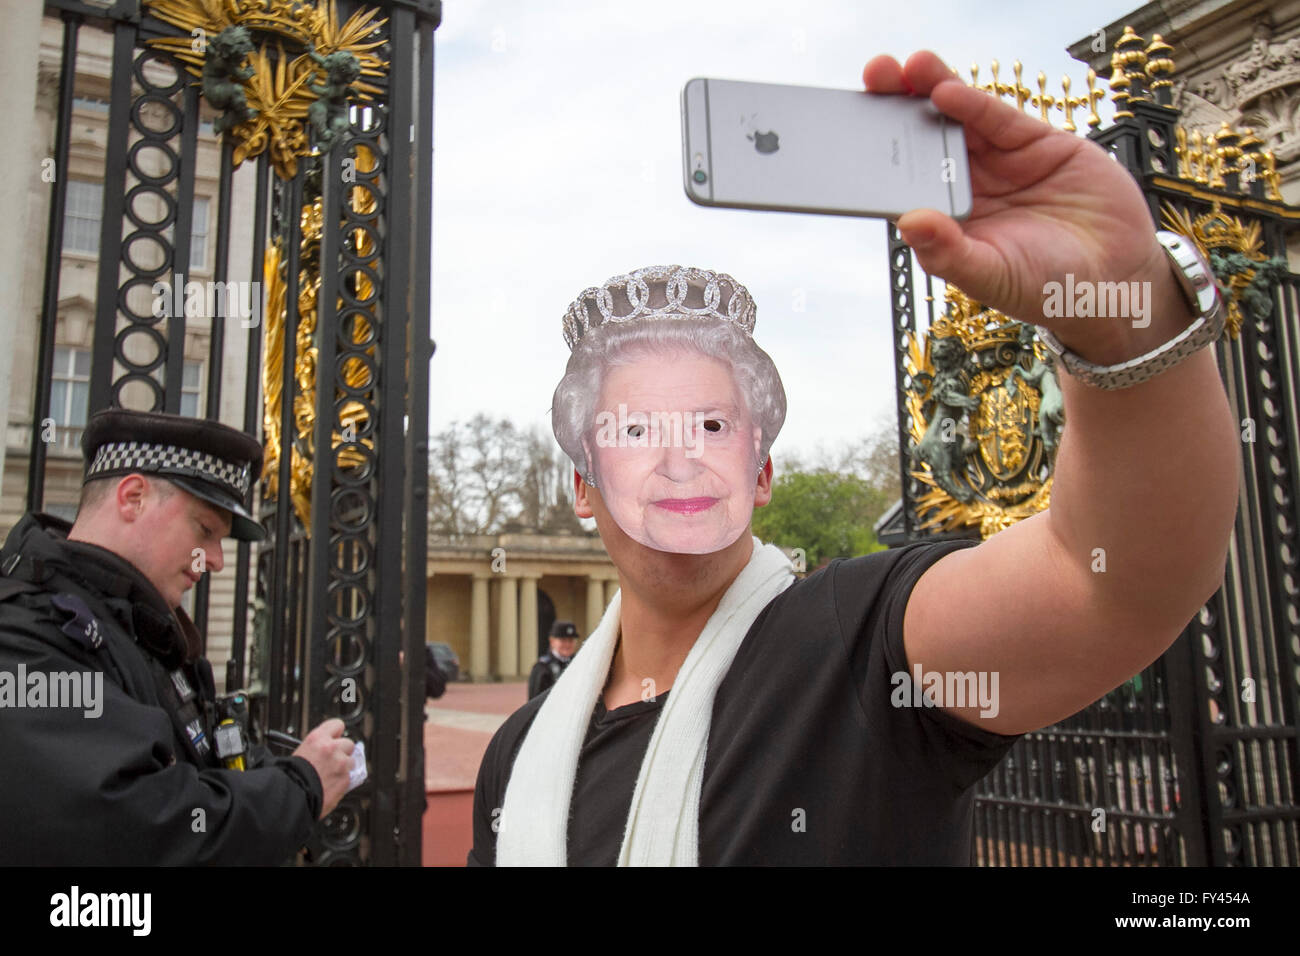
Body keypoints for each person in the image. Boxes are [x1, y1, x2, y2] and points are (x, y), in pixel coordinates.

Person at [468, 50, 1239, 866]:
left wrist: (1123, 308)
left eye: (714, 428)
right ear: (584, 490)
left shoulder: (862, 643)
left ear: (759, 475)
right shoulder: (519, 756)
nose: (681, 460)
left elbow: (1109, 584)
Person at [0, 408, 356, 865]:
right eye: (205, 531)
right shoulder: (23, 632)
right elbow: (139, 823)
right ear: (132, 498)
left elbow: (207, 764)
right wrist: (300, 788)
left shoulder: (143, 631)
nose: (215, 560)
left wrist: (284, 770)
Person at [527, 621, 579, 700]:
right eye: (563, 640)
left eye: (571, 640)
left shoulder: (579, 664)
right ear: (552, 641)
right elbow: (534, 701)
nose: (568, 644)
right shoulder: (542, 668)